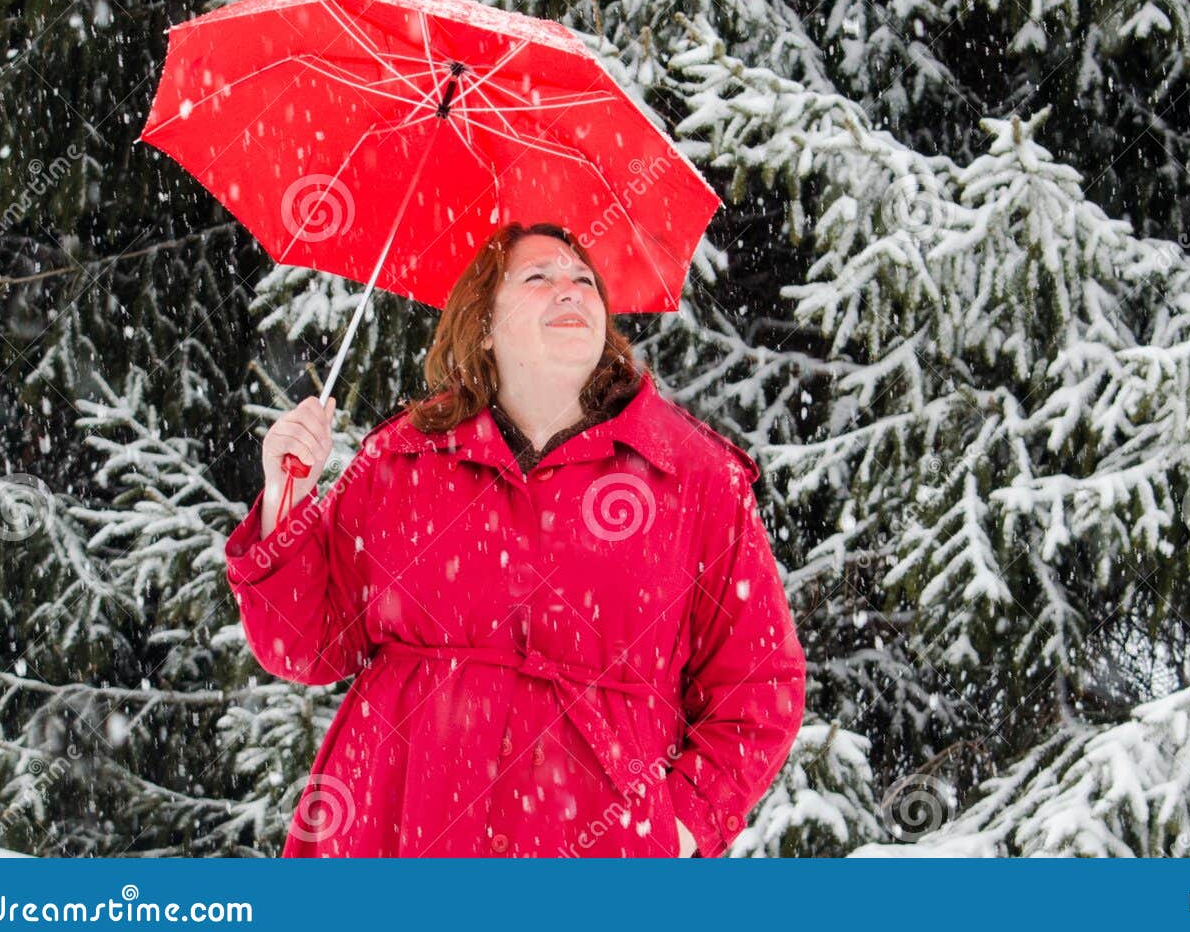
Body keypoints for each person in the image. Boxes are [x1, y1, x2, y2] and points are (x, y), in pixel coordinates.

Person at [223, 222, 807, 857]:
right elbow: (302, 645)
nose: (570, 289)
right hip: (395, 829)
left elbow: (759, 686)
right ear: (484, 324)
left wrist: (678, 828)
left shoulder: (693, 474)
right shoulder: (403, 458)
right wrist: (286, 495)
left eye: (584, 280)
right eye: (538, 277)